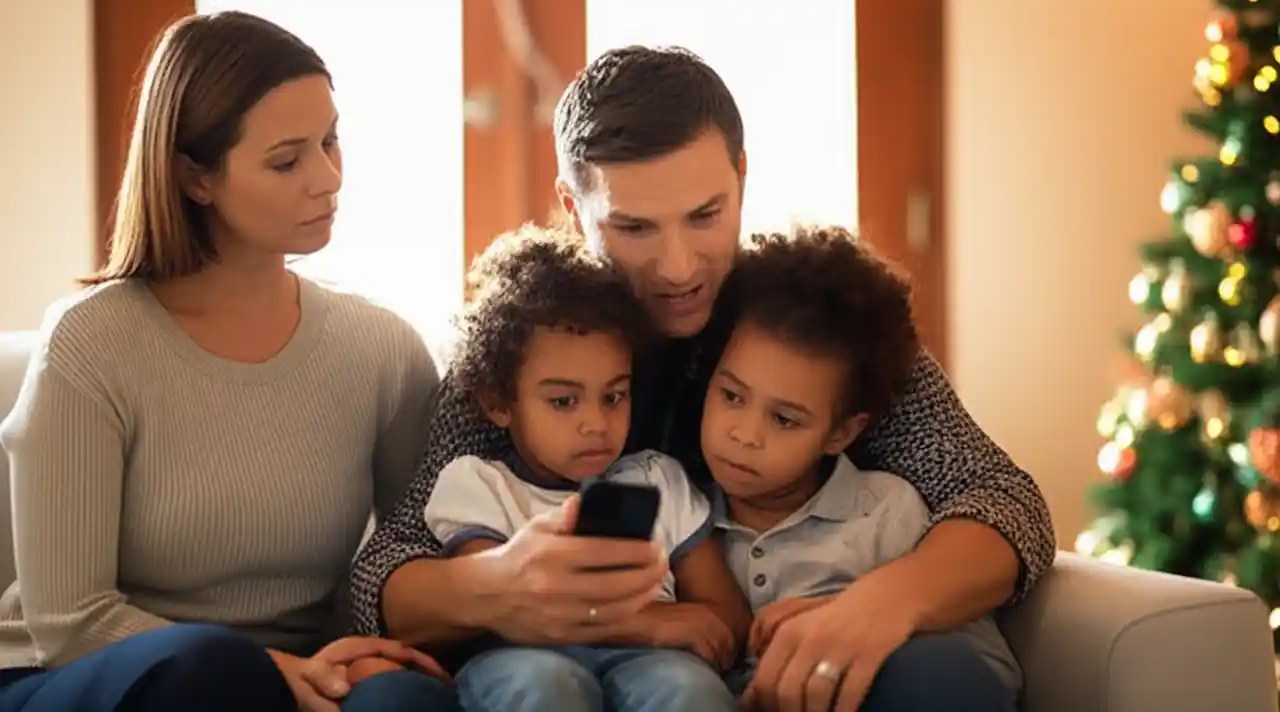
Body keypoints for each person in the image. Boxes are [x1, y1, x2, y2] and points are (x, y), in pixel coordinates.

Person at [350, 45, 1054, 712]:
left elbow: (1003, 501)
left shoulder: (804, 322)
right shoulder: (537, 339)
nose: (679, 266)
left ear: (742, 175)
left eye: (705, 216)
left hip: (727, 667)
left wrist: (877, 606)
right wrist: (497, 585)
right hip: (544, 669)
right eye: (634, 228)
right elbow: (390, 563)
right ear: (572, 208)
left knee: (940, 676)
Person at [0, 11, 456, 712]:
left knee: (404, 699)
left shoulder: (382, 351)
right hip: (87, 677)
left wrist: (344, 659)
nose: (328, 177)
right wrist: (268, 668)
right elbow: (71, 621)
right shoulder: (90, 346)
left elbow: (405, 563)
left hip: (297, 673)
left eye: (331, 142)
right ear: (195, 178)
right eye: (287, 159)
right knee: (209, 670)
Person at [413, 225, 749, 711]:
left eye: (614, 395)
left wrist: (698, 631)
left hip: (651, 662)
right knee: (544, 686)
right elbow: (504, 600)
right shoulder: (479, 485)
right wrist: (647, 621)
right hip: (523, 658)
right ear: (497, 402)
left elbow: (726, 618)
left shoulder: (658, 481)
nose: (596, 423)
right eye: (564, 400)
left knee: (688, 688)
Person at [704, 226, 1020, 711]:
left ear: (842, 434)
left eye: (785, 419)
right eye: (731, 396)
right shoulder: (683, 511)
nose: (745, 434)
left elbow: (980, 674)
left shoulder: (887, 512)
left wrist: (857, 621)